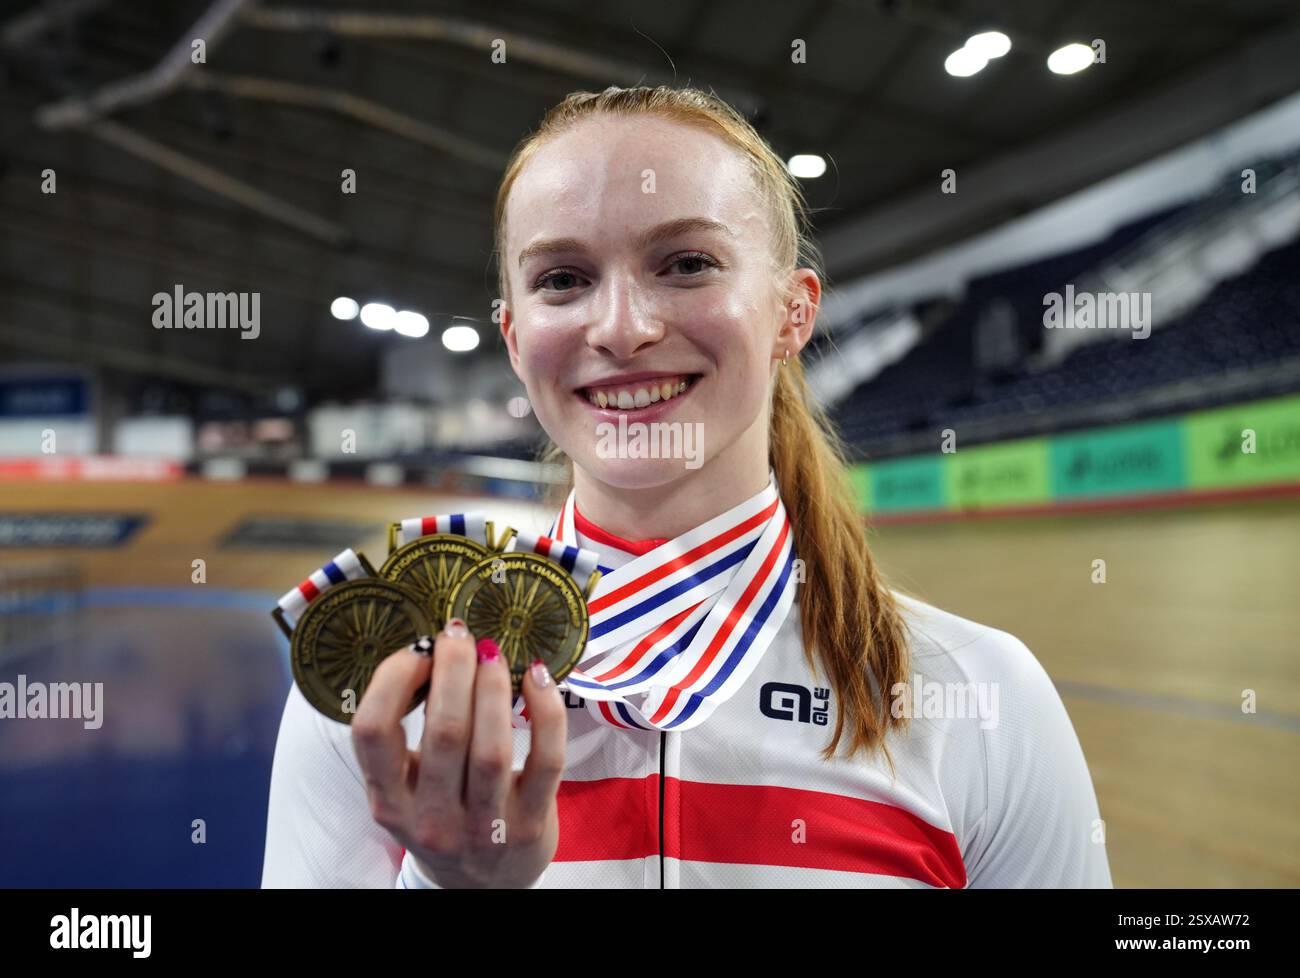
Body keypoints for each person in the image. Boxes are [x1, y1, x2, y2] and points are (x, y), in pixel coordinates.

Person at [261, 85, 1112, 889]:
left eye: (688, 263)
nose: (623, 328)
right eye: (563, 278)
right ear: (516, 340)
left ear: (792, 311)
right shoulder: (379, 697)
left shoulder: (981, 695)